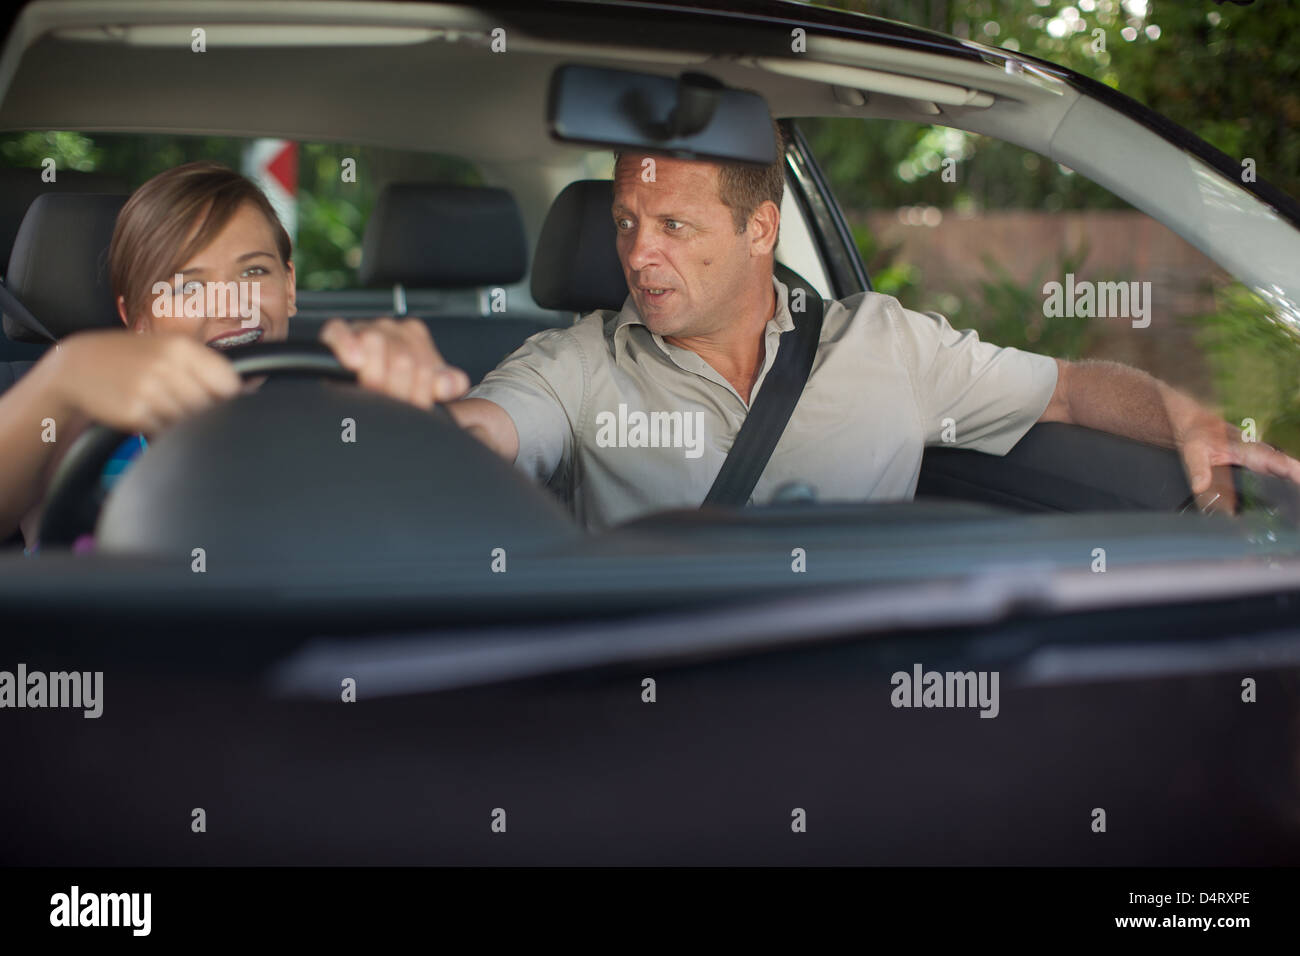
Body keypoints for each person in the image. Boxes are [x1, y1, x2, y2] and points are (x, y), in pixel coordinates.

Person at [436, 124, 1300, 530]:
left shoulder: (887, 343)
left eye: (674, 227)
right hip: (669, 716)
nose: (638, 254)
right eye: (626, 222)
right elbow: (485, 434)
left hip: (867, 711)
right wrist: (420, 416)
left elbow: (1071, 392)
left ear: (760, 231)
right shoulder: (576, 363)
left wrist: (1186, 417)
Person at [0, 161, 455, 547]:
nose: (232, 304)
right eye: (188, 286)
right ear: (137, 317)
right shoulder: (63, 420)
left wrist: (395, 401)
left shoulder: (344, 413)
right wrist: (61, 377)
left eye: (254, 271)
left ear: (290, 287)